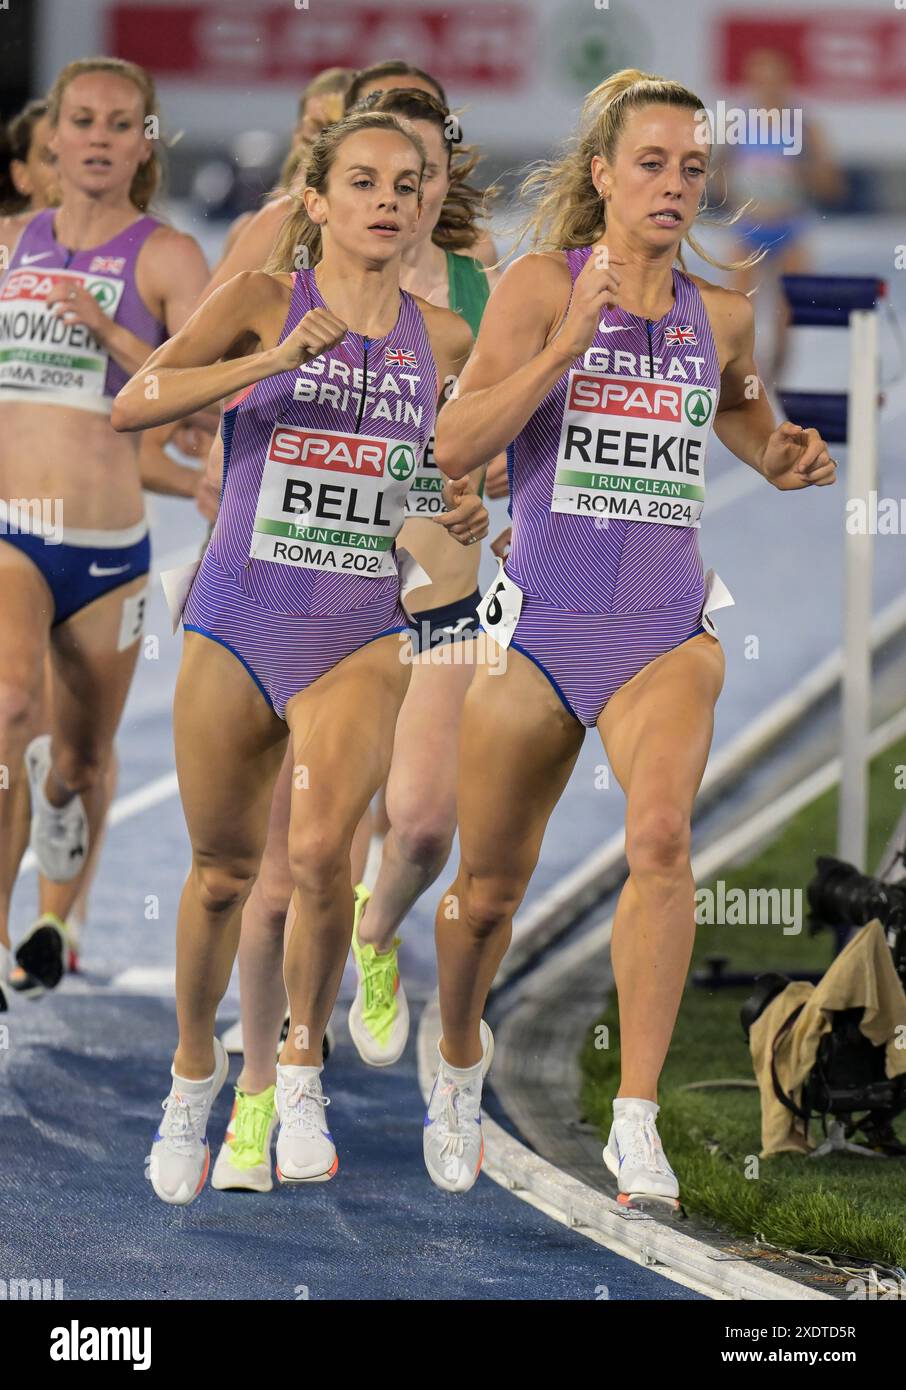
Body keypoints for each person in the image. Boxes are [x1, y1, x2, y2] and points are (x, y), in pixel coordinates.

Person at [427, 68, 836, 1198]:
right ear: (602, 173)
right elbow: (458, 443)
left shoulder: (725, 314)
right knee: (486, 893)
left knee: (660, 841)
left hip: (665, 624)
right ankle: (459, 1054)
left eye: (691, 166)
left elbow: (753, 423)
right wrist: (565, 344)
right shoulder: (532, 290)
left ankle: (637, 1115)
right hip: (542, 625)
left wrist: (788, 457)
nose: (672, 183)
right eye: (650, 162)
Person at [112, 108, 484, 1204]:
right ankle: (194, 1073)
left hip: (357, 628)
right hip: (238, 610)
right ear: (314, 201)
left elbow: (409, 484)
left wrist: (448, 509)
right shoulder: (264, 299)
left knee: (323, 855)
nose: (388, 197)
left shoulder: (444, 339)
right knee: (225, 875)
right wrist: (271, 362)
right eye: (362, 180)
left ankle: (300, 1066)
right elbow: (137, 402)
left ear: (427, 204)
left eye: (409, 183)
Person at [0, 58, 209, 1011]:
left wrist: (112, 334)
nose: (96, 137)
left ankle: (58, 805)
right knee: (6, 706)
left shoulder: (166, 258)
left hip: (110, 554)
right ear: (56, 139)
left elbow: (209, 388)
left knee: (81, 761)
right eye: (80, 121)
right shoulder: (6, 243)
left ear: (142, 141)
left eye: (119, 124)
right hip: (13, 529)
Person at [723, 48, 843, 382]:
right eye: (760, 79)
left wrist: (804, 172)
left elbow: (832, 184)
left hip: (790, 227)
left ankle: (778, 366)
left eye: (774, 79)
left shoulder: (805, 123)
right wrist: (732, 189)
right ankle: (747, 371)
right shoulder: (737, 119)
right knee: (737, 308)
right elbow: (714, 171)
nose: (767, 86)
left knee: (789, 312)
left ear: (787, 81)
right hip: (748, 227)